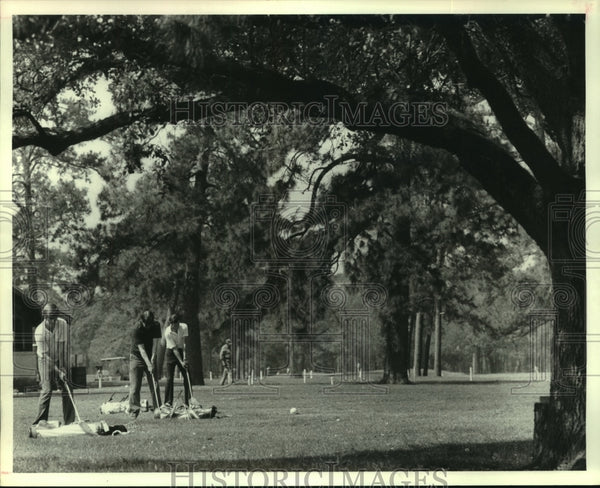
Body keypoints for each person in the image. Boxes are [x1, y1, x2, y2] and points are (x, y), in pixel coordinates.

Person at [32, 303, 75, 426]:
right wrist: (58, 370)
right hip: (45, 360)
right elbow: (46, 357)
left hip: (59, 357)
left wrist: (63, 368)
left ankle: (69, 422)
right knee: (47, 389)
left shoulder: (62, 324)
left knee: (68, 387)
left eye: (55, 319)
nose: (54, 322)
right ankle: (40, 422)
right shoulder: (39, 332)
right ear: (45, 318)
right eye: (51, 320)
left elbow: (62, 348)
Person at [128, 310, 162, 419]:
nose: (148, 327)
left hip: (149, 355)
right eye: (146, 324)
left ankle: (158, 408)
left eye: (149, 325)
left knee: (155, 384)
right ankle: (134, 410)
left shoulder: (156, 325)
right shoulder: (136, 329)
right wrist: (149, 364)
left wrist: (153, 356)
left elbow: (156, 343)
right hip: (136, 357)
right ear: (142, 321)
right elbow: (141, 350)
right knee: (135, 387)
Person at [163, 312, 191, 407]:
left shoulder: (184, 327)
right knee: (170, 379)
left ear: (179, 323)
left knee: (187, 377)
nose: (174, 326)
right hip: (171, 352)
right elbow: (174, 349)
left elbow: (184, 343)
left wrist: (185, 357)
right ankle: (168, 402)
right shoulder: (167, 332)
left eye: (176, 324)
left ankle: (188, 401)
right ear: (170, 323)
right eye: (172, 324)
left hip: (180, 350)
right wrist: (181, 362)